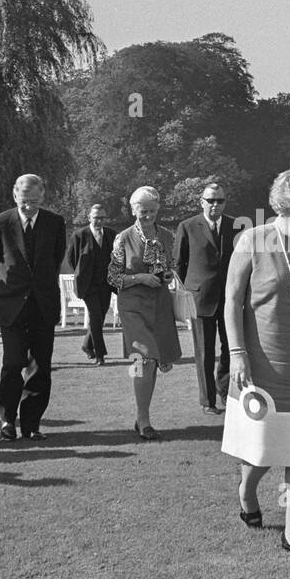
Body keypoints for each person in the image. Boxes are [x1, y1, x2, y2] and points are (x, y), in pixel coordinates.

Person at [222, 167, 290, 563]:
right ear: (285, 205)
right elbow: (232, 302)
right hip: (264, 361)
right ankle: (247, 491)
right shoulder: (252, 240)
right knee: (263, 449)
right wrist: (237, 353)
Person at [0, 174, 67, 441]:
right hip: (11, 306)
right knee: (12, 362)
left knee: (41, 366)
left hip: (43, 304)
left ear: (42, 196)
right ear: (14, 195)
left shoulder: (55, 223)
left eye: (34, 201)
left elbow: (55, 261)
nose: (29, 207)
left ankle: (31, 424)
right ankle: (7, 420)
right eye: (24, 202)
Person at [107, 187, 181, 439]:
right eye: (142, 211)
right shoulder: (122, 238)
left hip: (159, 305)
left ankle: (142, 416)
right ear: (133, 210)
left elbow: (169, 267)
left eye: (151, 211)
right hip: (133, 306)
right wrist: (139, 277)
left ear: (158, 209)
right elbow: (113, 276)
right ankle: (143, 419)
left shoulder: (167, 236)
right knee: (143, 359)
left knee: (155, 361)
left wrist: (167, 275)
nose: (147, 216)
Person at [174, 181, 236, 414]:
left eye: (220, 200)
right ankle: (207, 402)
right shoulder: (187, 226)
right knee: (204, 353)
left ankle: (226, 393)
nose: (215, 205)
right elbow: (178, 265)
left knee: (231, 349)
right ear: (201, 202)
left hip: (230, 299)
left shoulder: (236, 226)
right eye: (210, 200)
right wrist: (183, 298)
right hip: (200, 300)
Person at [67, 204, 117, 365]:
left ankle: (87, 345)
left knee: (100, 317)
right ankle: (99, 354)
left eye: (102, 217)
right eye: (96, 217)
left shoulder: (111, 234)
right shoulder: (79, 235)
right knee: (95, 317)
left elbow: (117, 258)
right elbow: (72, 259)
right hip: (88, 286)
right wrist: (83, 274)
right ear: (89, 217)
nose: (99, 221)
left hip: (106, 284)